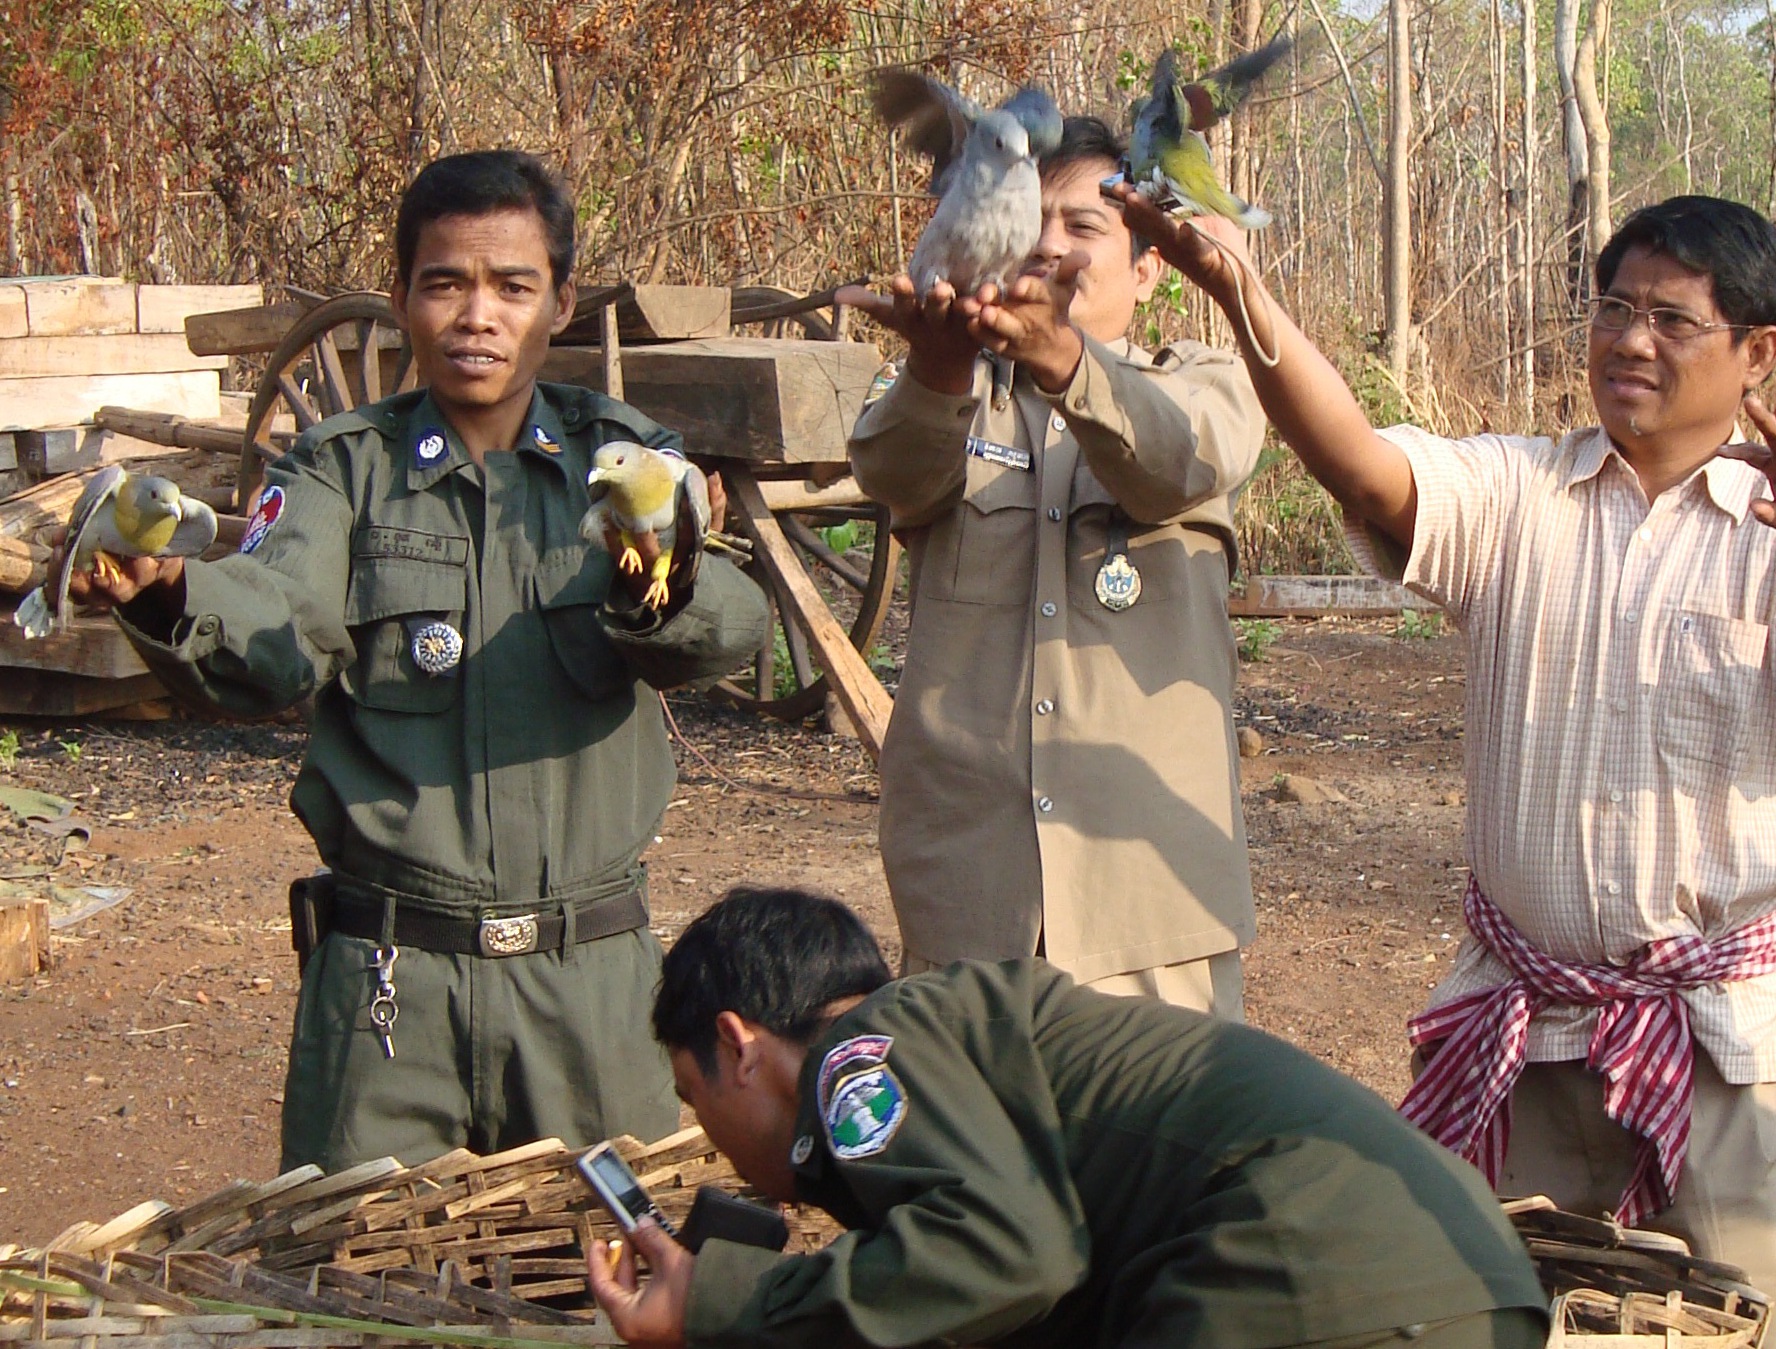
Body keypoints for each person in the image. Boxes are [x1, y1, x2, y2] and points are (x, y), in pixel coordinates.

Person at [1108, 188, 1776, 1349]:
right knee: (1473, 1316)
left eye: (1671, 319)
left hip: (1712, 1056)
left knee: (1723, 1325)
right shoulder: (1516, 494)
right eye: (1612, 308)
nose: (1629, 339)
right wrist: (1244, 294)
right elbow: (1362, 466)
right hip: (1515, 1036)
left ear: (1758, 353)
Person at [73, 150, 770, 1170]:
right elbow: (279, 622)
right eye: (445, 282)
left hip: (590, 987)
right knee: (359, 1291)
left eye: (512, 286)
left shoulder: (622, 457)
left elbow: (734, 623)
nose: (476, 314)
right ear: (400, 297)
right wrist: (173, 590)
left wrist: (649, 581)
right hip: (388, 996)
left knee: (610, 1294)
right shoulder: (339, 469)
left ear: (559, 302)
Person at [586, 885, 1550, 1349]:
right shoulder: (961, 1032)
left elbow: (1008, 1255)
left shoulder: (857, 1061)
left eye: (692, 1092)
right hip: (1472, 1284)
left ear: (738, 1041)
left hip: (1309, 1286)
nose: (704, 1127)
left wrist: (720, 1305)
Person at [839, 117, 1266, 1019]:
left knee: (1156, 1159)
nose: (1047, 242)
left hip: (1152, 914)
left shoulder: (1209, 384)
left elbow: (1170, 464)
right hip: (969, 905)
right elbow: (892, 475)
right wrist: (940, 364)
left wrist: (1061, 356)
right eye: (1031, 217)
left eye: (1084, 224)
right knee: (976, 1157)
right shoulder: (953, 388)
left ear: (1149, 269)